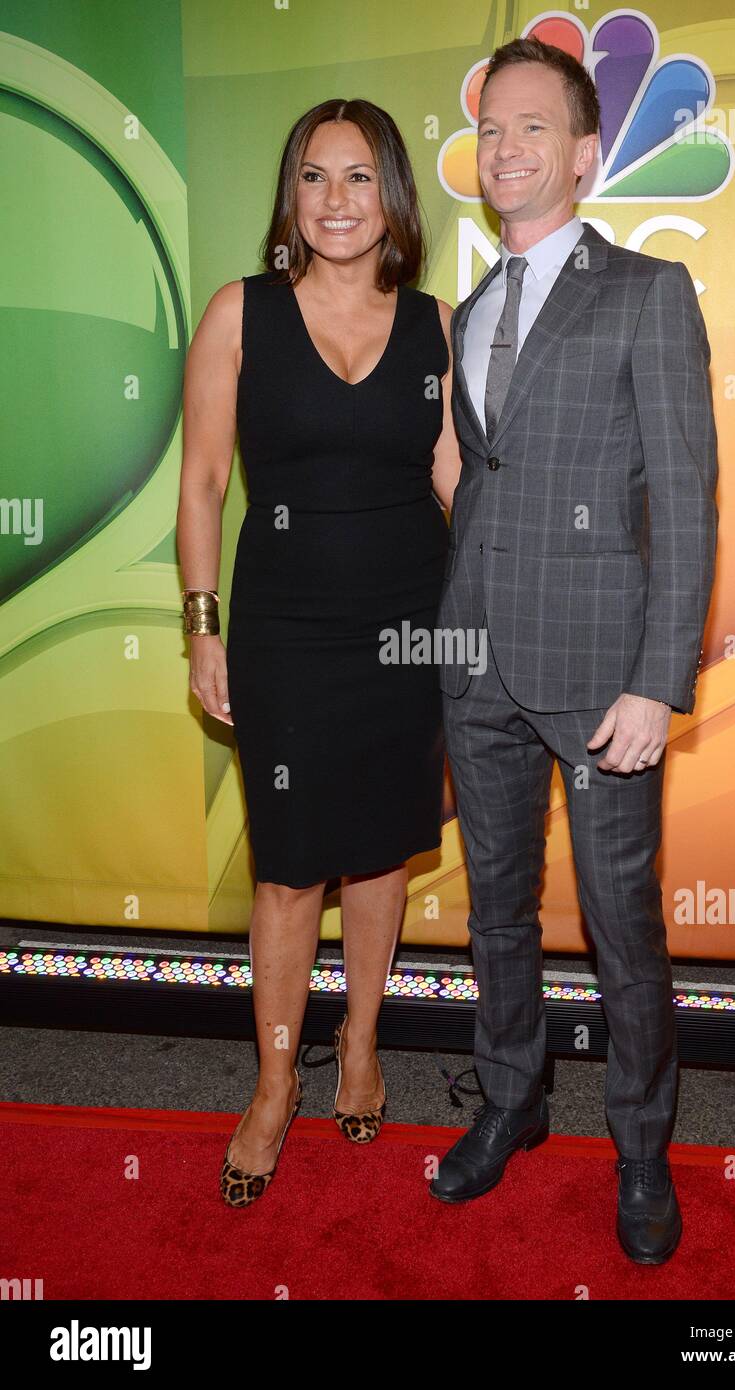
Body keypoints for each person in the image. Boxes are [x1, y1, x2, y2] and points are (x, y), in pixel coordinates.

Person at [429, 37, 718, 1266]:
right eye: (490, 129)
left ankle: (642, 1152)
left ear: (586, 154)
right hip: (473, 664)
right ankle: (512, 1100)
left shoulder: (646, 293)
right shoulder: (472, 306)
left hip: (603, 678)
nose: (504, 149)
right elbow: (472, 483)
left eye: (532, 128)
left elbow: (689, 500)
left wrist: (659, 678)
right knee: (496, 911)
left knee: (619, 926)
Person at [176, 98, 462, 1207]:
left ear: (390, 195)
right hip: (285, 627)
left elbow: (450, 479)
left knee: (382, 854)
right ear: (289, 197)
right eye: (312, 177)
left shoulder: (436, 323)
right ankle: (272, 1081)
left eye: (356, 177)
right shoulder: (239, 313)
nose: (334, 200)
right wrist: (203, 628)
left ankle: (359, 1045)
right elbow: (201, 483)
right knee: (291, 866)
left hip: (410, 620)